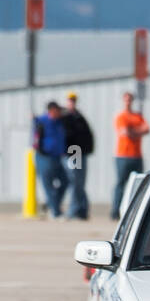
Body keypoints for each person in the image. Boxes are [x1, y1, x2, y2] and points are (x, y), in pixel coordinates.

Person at [112, 91, 149, 220]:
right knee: (121, 184)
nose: (128, 102)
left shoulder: (137, 116)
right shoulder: (121, 116)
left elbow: (147, 129)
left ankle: (136, 211)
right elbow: (125, 132)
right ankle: (115, 211)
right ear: (123, 101)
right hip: (122, 155)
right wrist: (137, 131)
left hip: (136, 155)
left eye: (130, 99)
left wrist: (134, 131)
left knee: (140, 184)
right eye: (126, 99)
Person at [60, 91, 94, 220]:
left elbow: (86, 135)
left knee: (79, 182)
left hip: (79, 152)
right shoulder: (65, 117)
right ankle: (73, 210)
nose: (72, 103)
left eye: (73, 100)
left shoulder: (79, 116)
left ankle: (82, 209)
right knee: (74, 181)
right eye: (70, 100)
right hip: (72, 152)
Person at [32, 101, 69, 219]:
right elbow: (36, 139)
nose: (59, 113)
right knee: (49, 185)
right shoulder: (41, 121)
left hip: (58, 157)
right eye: (56, 111)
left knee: (65, 181)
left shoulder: (60, 122)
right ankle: (56, 211)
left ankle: (51, 204)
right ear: (51, 111)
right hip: (44, 157)